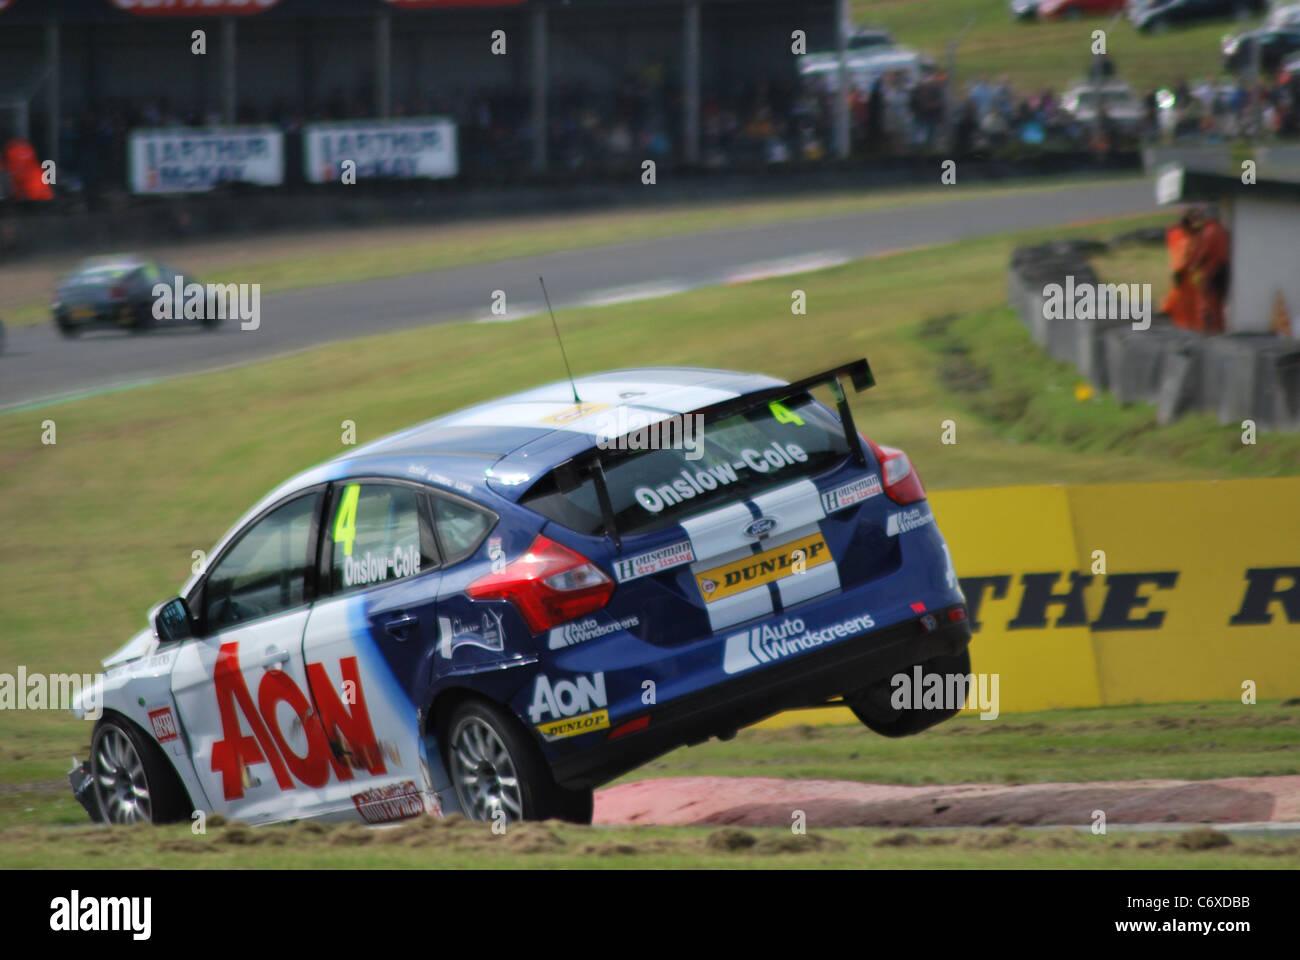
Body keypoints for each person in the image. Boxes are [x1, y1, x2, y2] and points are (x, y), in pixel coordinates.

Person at [1161, 207, 1229, 335]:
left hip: (1205, 278)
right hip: (1203, 279)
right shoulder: (1192, 234)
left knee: (1204, 310)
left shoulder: (1207, 232)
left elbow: (1194, 256)